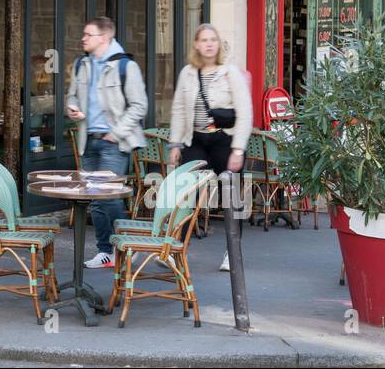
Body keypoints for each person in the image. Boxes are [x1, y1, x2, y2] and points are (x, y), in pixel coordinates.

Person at [167, 24, 253, 273]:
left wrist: (238, 149)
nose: (209, 44)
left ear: (218, 44)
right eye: (204, 40)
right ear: (196, 44)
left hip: (224, 140)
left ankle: (232, 253)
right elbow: (178, 110)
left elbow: (245, 112)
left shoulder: (230, 73)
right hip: (195, 140)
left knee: (231, 197)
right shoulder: (187, 73)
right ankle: (176, 249)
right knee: (185, 194)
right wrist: (176, 143)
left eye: (213, 40)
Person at [65, 16, 148, 270]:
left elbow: (139, 106)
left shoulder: (125, 66)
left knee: (108, 198)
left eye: (88, 34)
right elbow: (72, 95)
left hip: (114, 143)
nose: (83, 38)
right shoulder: (81, 64)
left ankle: (128, 243)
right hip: (88, 141)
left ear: (103, 37)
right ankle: (106, 252)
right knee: (96, 199)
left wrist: (116, 132)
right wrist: (73, 109)